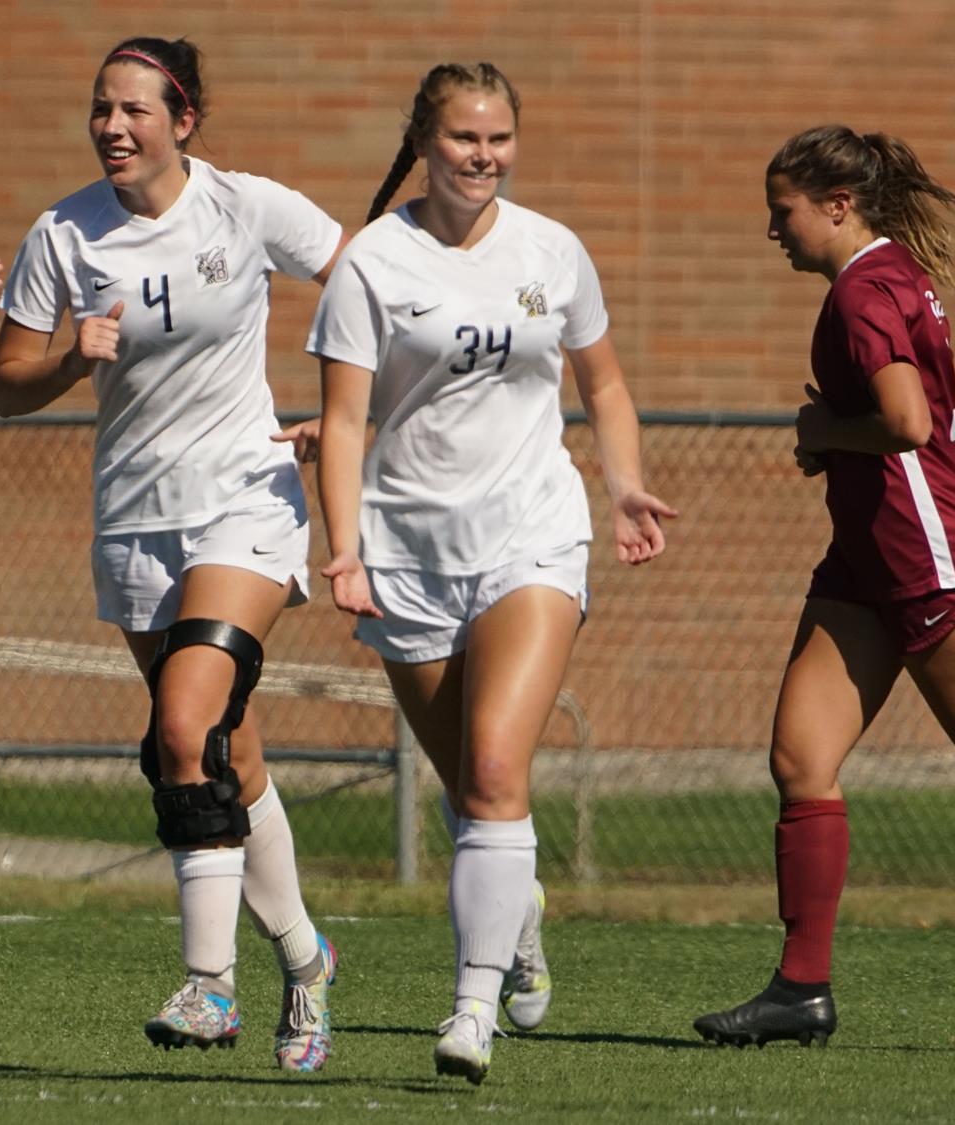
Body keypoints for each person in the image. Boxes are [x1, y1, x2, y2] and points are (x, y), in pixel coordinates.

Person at [309, 62, 675, 1085]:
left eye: (498, 139)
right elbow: (343, 421)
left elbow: (600, 385)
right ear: (423, 144)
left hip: (531, 535)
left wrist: (623, 486)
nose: (482, 157)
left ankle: (470, 1011)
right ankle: (517, 918)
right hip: (407, 553)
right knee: (472, 795)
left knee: (493, 771)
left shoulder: (551, 251)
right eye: (463, 139)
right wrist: (342, 546)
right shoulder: (372, 262)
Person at [0, 36, 346, 1072]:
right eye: (100, 108)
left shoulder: (246, 208)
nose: (111, 126)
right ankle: (304, 957)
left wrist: (342, 412)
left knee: (179, 730)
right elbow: (7, 385)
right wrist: (69, 358)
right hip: (134, 516)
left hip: (244, 498)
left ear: (181, 120)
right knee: (224, 755)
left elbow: (380, 287)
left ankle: (207, 986)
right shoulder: (62, 233)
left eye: (133, 110)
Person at [692, 125, 955, 1048]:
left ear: (837, 205)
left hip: (924, 555)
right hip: (868, 559)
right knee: (801, 759)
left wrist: (820, 429)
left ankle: (801, 984)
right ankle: (800, 989)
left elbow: (904, 421)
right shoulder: (883, 278)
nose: (774, 229)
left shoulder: (861, 292)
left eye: (784, 211)